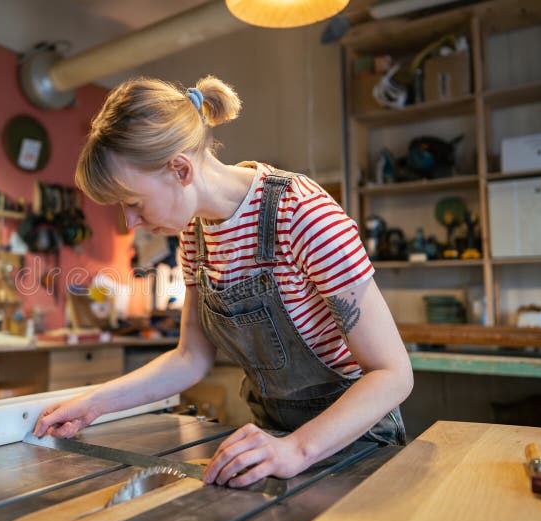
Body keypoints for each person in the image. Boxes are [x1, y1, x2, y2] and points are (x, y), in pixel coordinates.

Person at [34, 75, 413, 488]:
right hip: (276, 441)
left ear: (180, 169)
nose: (131, 222)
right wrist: (94, 403)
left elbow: (393, 374)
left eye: (134, 203)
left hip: (353, 442)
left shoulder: (300, 213)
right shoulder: (195, 234)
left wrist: (297, 449)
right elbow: (190, 358)